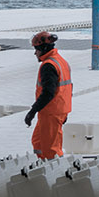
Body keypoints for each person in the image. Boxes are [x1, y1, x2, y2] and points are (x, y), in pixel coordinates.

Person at [23, 31, 73, 160]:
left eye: (36, 50)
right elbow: (67, 88)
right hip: (56, 110)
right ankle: (42, 162)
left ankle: (54, 167)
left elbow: (48, 93)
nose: (35, 53)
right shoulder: (60, 60)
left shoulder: (48, 66)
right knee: (38, 141)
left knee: (51, 148)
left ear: (43, 48)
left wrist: (33, 111)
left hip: (52, 111)